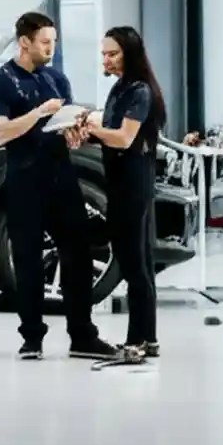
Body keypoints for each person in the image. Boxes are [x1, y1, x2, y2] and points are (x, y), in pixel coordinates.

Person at [0, 12, 119, 362]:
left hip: (61, 177)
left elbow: (64, 131)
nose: (51, 49)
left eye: (54, 42)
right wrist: (38, 114)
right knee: (27, 260)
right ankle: (32, 338)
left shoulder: (58, 79)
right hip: (24, 179)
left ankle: (82, 335)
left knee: (79, 254)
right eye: (45, 43)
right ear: (24, 42)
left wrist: (75, 131)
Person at [82, 26, 166, 359]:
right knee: (138, 260)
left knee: (134, 263)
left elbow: (123, 138)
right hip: (121, 181)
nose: (107, 58)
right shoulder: (121, 89)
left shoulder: (140, 91)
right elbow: (110, 132)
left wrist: (92, 129)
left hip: (132, 183)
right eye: (103, 53)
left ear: (129, 54)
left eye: (112, 53)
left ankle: (138, 340)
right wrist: (90, 130)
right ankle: (149, 337)